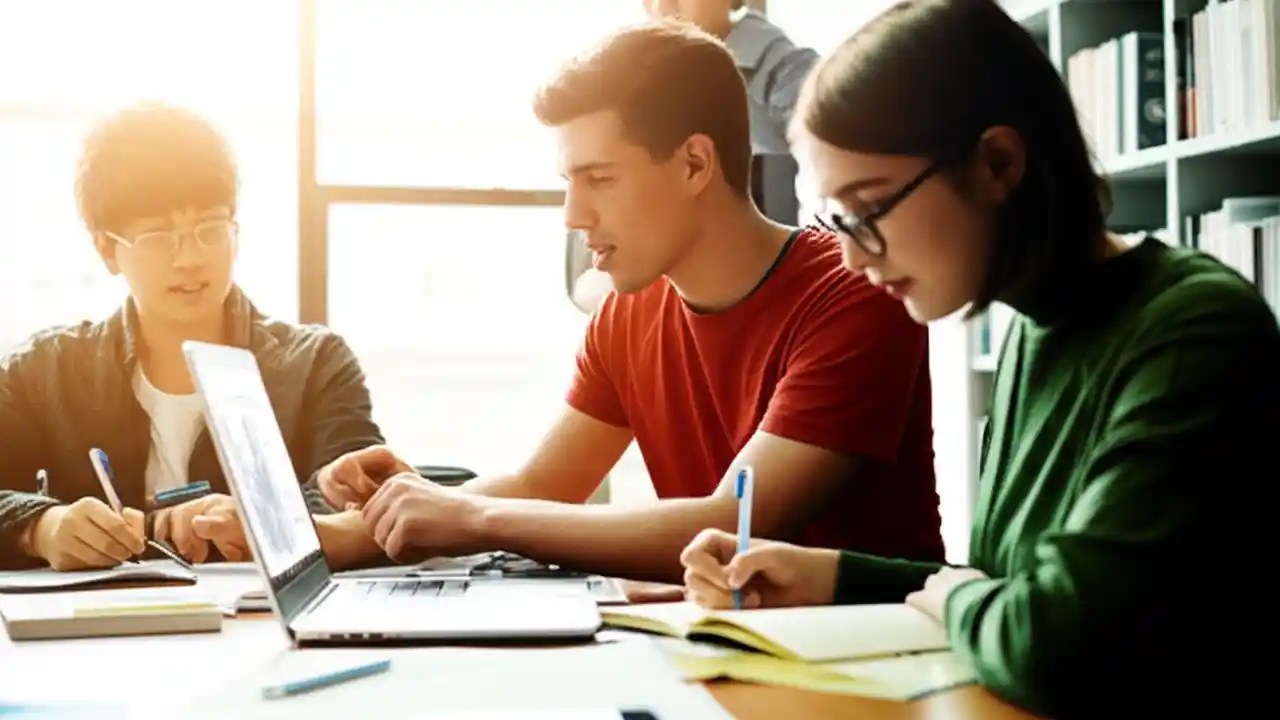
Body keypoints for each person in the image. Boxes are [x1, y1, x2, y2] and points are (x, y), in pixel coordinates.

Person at [677, 0, 1280, 716]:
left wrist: (957, 592)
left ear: (998, 163)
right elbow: (1004, 585)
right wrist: (831, 578)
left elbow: (1057, 643)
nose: (845, 253)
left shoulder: (1194, 330)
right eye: (837, 219)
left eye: (868, 209)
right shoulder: (1032, 329)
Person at [316, 20, 944, 586]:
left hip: (877, 660)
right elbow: (541, 488)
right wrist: (384, 513)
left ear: (695, 163)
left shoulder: (854, 291)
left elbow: (736, 522)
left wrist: (472, 515)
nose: (573, 214)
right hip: (722, 648)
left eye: (600, 179)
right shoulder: (630, 310)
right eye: (570, 182)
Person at [0, 103, 385, 571]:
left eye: (209, 229)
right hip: (92, 631)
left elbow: (365, 506)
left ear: (236, 233)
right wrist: (40, 528)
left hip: (259, 625)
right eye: (160, 237)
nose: (189, 259)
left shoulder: (314, 363)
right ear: (107, 249)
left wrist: (258, 519)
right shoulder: (45, 371)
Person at [567, 1, 819, 312]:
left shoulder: (790, 74)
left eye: (600, 178)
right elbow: (583, 282)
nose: (662, 4)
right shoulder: (621, 86)